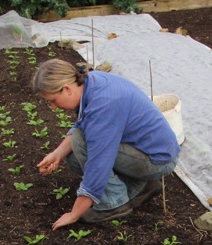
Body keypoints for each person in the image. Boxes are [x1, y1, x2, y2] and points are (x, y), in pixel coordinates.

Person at [33, 59, 181, 230]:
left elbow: (99, 163)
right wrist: (57, 154)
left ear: (67, 89)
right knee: (73, 156)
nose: (53, 107)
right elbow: (84, 122)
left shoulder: (104, 104)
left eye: (53, 100)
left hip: (157, 161)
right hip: (143, 149)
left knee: (81, 141)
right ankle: (141, 186)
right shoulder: (91, 82)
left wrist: (74, 214)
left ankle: (114, 203)